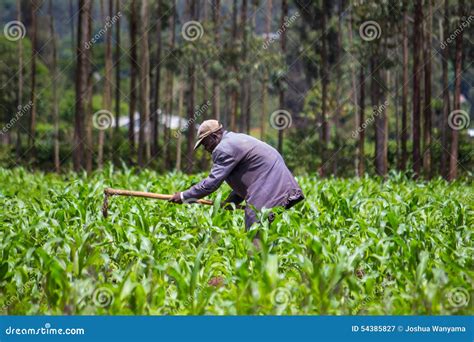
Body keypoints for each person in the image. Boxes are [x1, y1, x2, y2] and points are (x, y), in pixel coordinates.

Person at [169, 119, 304, 233]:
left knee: (254, 225)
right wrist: (231, 203)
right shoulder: (233, 140)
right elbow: (247, 178)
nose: (206, 148)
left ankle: (256, 263)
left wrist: (183, 196)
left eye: (205, 143)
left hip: (270, 187)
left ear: (215, 136)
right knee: (266, 232)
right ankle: (269, 262)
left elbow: (211, 184)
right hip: (282, 187)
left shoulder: (224, 148)